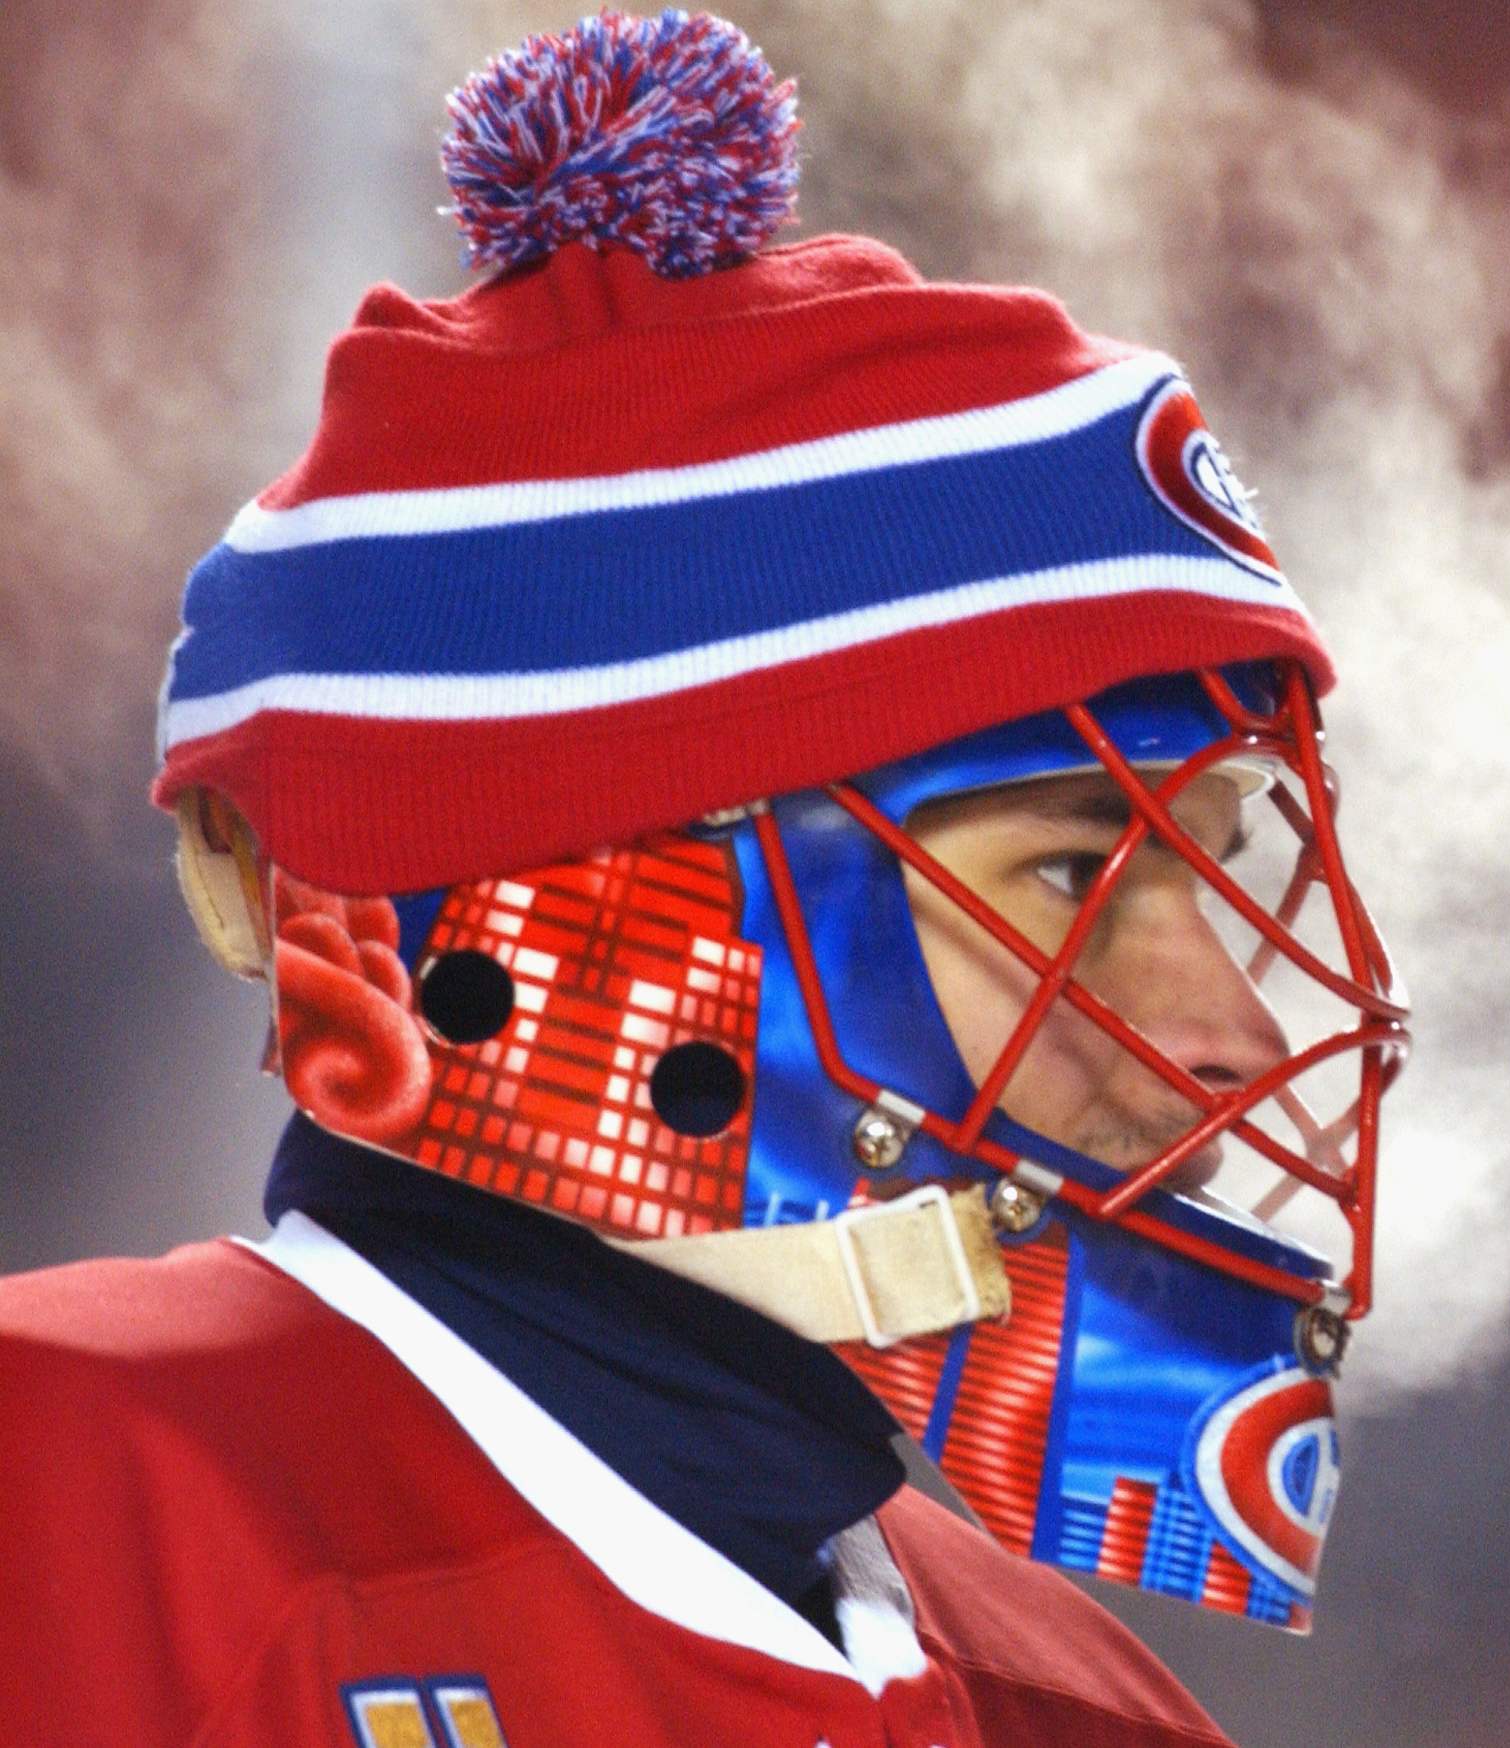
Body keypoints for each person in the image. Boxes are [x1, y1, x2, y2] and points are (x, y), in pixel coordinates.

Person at [0, 11, 1407, 1746]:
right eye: (1063, 875)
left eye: (1213, 879)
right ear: (599, 937)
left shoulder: (1091, 1708)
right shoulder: (66, 1514)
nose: (1233, 1036)